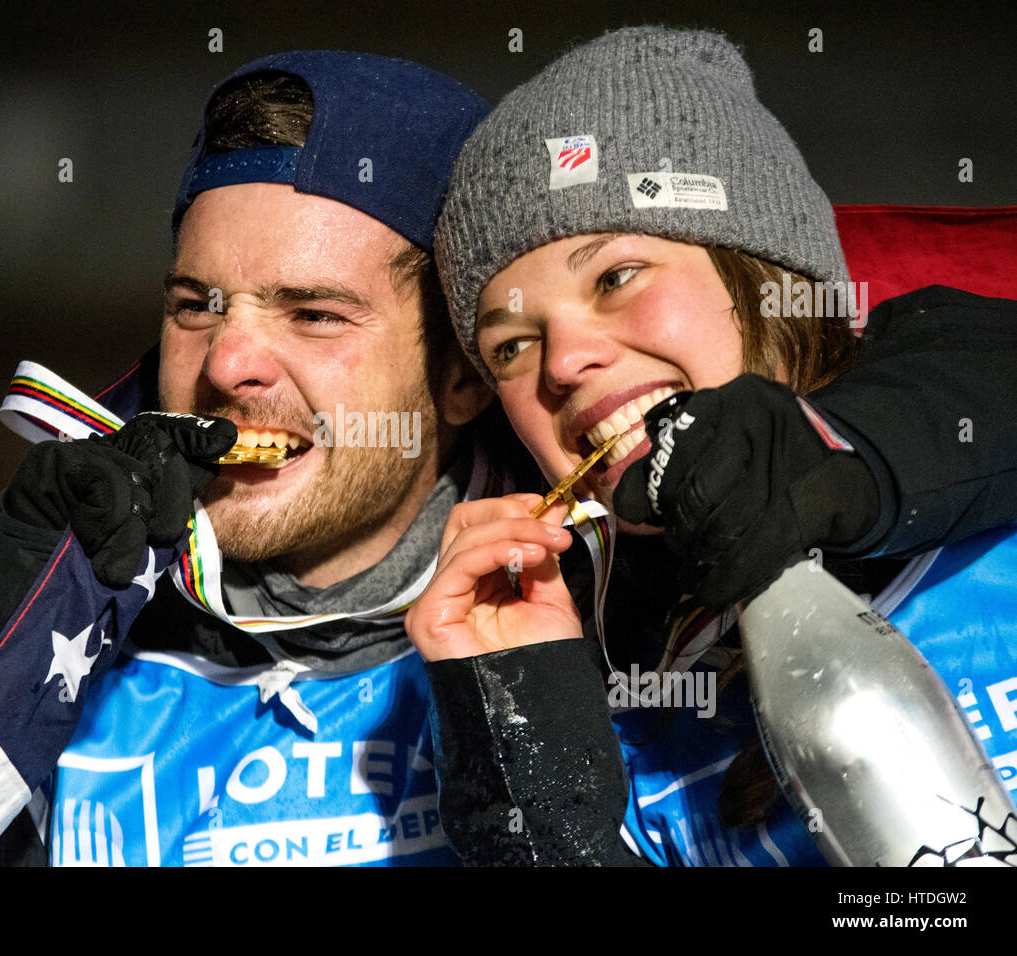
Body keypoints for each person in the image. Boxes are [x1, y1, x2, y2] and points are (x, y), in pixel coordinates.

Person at [0, 51, 514, 867]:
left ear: (462, 375)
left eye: (312, 314)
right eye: (194, 306)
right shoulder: (65, 633)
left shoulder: (580, 645)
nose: (226, 362)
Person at [409, 26, 1017, 866]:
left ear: (764, 272)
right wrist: (533, 773)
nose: (562, 361)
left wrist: (834, 454)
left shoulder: (967, 402)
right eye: (510, 344)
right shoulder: (614, 673)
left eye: (615, 277)